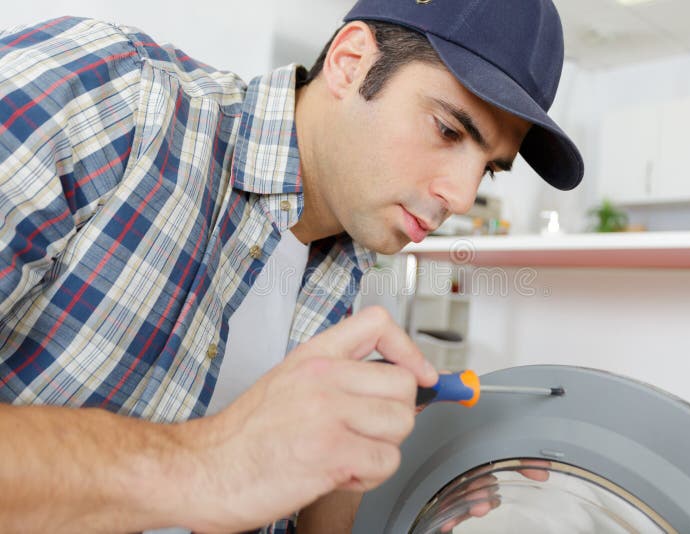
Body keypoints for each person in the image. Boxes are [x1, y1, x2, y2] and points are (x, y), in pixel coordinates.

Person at [0, 0, 583, 532]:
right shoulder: (111, 97)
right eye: (449, 129)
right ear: (350, 63)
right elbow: (223, 471)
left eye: (488, 168)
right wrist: (206, 463)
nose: (460, 196)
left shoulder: (348, 270)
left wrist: (396, 483)